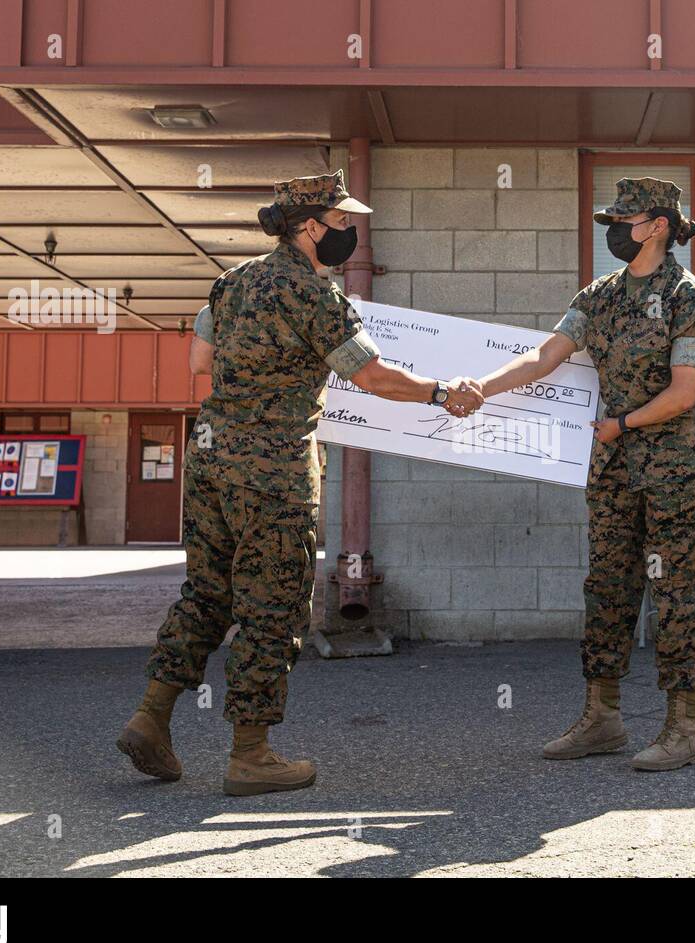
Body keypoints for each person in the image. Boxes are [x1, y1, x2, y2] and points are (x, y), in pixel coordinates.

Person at [117, 170, 483, 796]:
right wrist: (441, 392)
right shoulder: (316, 296)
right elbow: (371, 377)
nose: (350, 232)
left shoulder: (230, 285)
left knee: (207, 594)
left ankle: (151, 716)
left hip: (209, 459)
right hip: (274, 473)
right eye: (342, 222)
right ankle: (250, 755)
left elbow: (200, 363)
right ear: (309, 227)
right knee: (270, 608)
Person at [476, 176, 695, 771]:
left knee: (677, 591)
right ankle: (602, 718)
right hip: (614, 466)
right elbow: (545, 356)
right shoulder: (600, 295)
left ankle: (683, 727)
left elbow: (684, 392)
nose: (613, 232)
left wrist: (624, 424)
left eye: (623, 222)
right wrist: (481, 387)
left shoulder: (687, 296)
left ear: (658, 226)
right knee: (607, 586)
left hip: (674, 466)